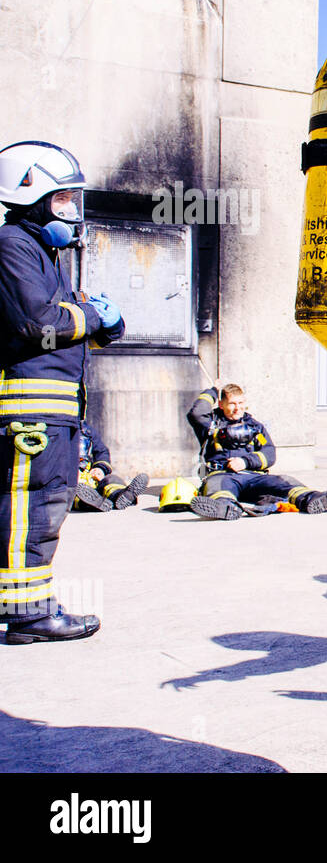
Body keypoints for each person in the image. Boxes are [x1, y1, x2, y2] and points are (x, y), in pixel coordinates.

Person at [0, 140, 124, 644]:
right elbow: (37, 323)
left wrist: (102, 321)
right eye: (62, 200)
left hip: (52, 411)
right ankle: (26, 615)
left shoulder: (41, 251)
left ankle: (27, 606)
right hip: (32, 413)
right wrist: (91, 315)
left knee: (41, 505)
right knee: (35, 508)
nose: (72, 210)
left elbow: (63, 320)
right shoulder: (13, 244)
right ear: (29, 195)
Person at [186, 384, 327, 519]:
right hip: (222, 475)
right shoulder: (211, 424)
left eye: (241, 403)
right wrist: (212, 391)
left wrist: (245, 462)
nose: (238, 408)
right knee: (218, 487)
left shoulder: (255, 426)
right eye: (232, 403)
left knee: (284, 481)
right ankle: (225, 507)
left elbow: (269, 453)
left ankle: (313, 499)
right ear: (221, 404)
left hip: (254, 476)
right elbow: (196, 412)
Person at [72, 419, 148, 512]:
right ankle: (93, 503)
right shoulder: (55, 433)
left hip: (91, 477)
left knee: (111, 480)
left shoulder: (86, 430)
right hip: (70, 482)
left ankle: (121, 495)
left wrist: (100, 468)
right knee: (74, 494)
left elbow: (102, 451)